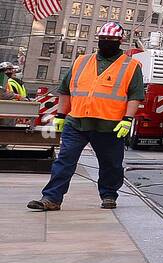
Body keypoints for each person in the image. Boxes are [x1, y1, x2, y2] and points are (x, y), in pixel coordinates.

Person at [27, 22, 143, 212]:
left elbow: (135, 96)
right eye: (103, 39)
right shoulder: (81, 61)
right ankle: (51, 198)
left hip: (110, 125)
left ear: (119, 41)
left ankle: (108, 195)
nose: (106, 42)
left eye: (111, 40)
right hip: (77, 122)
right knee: (64, 160)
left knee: (111, 164)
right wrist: (61, 115)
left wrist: (127, 119)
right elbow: (65, 90)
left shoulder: (131, 66)